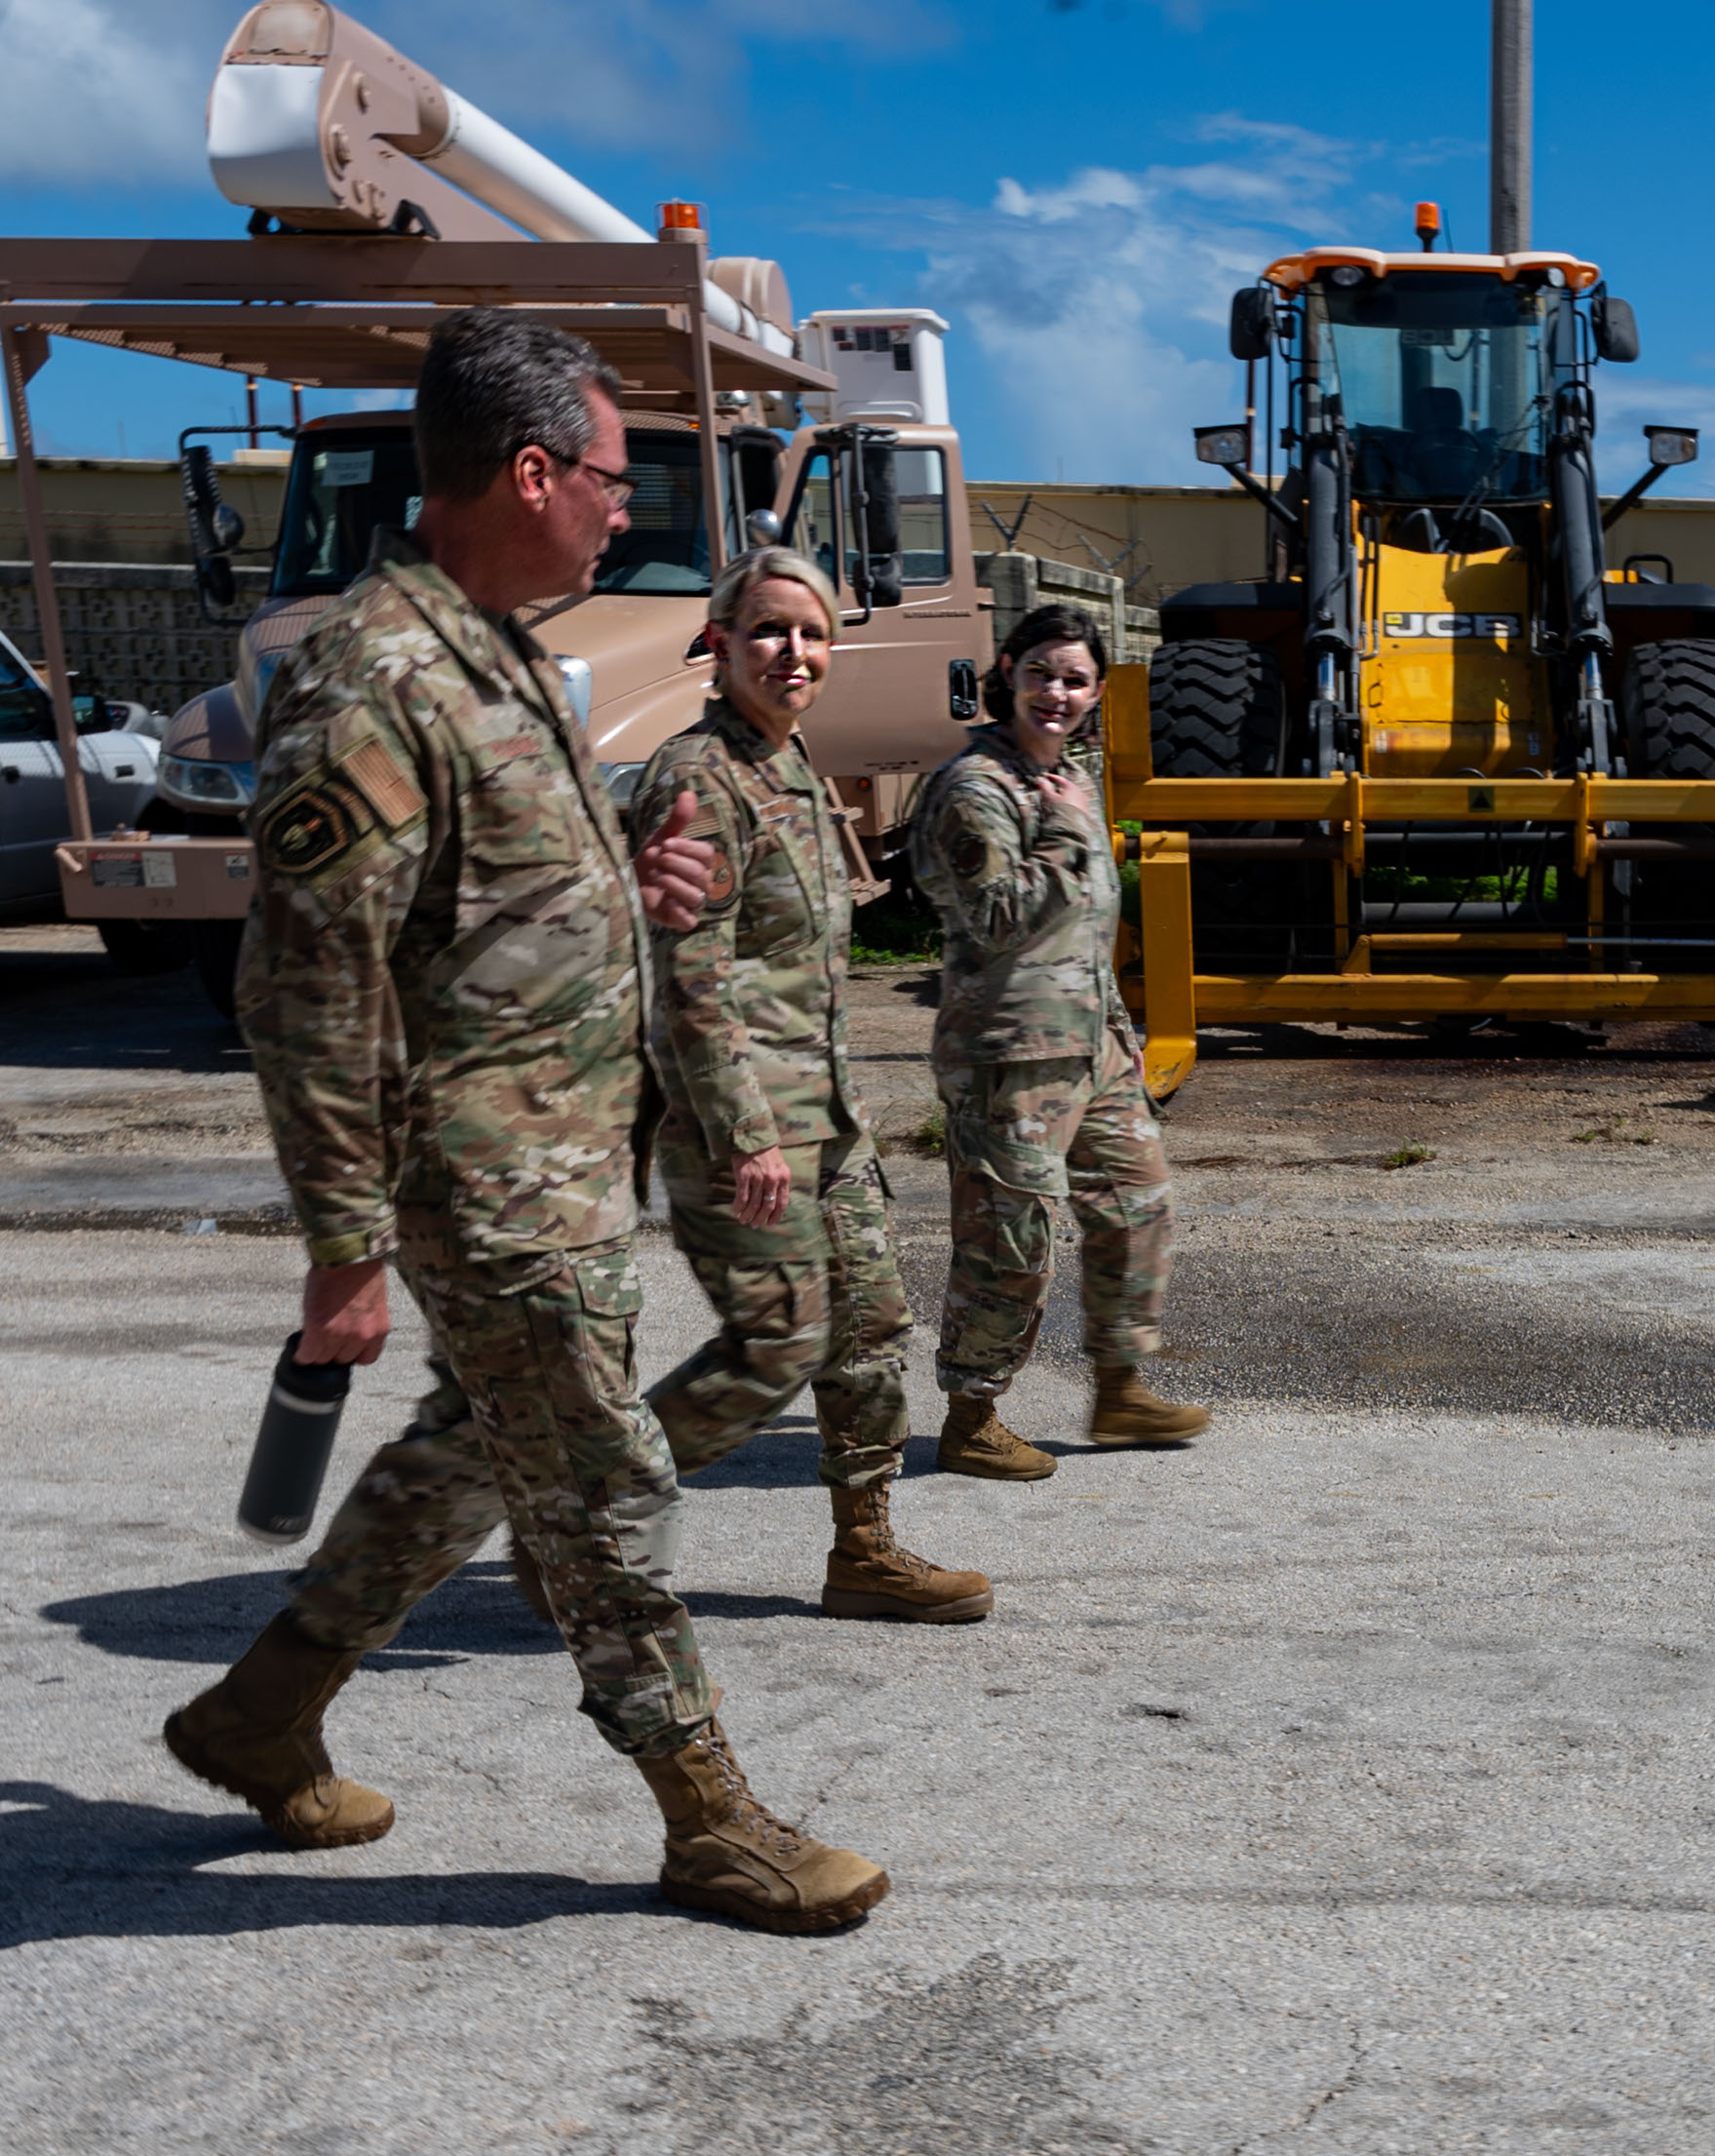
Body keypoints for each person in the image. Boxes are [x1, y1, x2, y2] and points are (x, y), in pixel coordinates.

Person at [162, 307, 885, 1935]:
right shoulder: (373, 677)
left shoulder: (506, 657)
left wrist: (637, 882)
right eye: (616, 476)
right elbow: (309, 986)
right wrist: (344, 1246)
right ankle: (712, 1814)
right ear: (534, 466)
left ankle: (257, 1710)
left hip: (569, 1164)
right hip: (484, 1185)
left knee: (471, 1457)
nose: (627, 508)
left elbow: (470, 901)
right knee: (604, 1483)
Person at [634, 544, 990, 1623]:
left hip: (824, 1118)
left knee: (871, 1327)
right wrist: (747, 1134)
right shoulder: (697, 777)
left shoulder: (790, 764)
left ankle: (863, 1550)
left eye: (813, 633)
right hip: (741, 1125)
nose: (795, 652)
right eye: (771, 631)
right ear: (723, 640)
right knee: (770, 1349)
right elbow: (689, 977)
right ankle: (582, 1497)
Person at [914, 603, 1208, 1480]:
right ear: (1007, 670)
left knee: (1136, 1203)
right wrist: (1074, 836)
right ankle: (972, 1414)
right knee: (1011, 1237)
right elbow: (996, 916)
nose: (1057, 692)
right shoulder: (978, 790)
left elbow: (1084, 929)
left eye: (1076, 679)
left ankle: (1118, 1389)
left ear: (1097, 690)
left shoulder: (1069, 776)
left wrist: (1123, 1036)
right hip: (1010, 1052)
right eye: (1041, 672)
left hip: (1092, 1042)